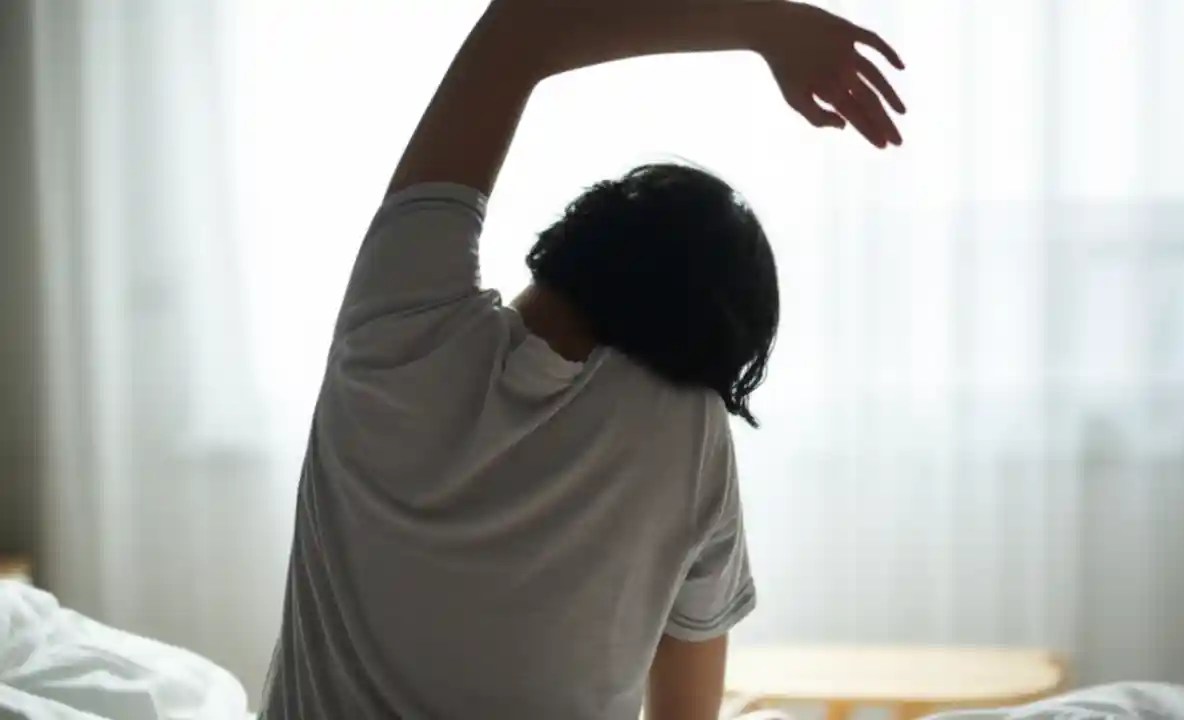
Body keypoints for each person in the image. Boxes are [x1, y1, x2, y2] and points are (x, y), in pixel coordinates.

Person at [261, 2, 904, 719]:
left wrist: (768, 27)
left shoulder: (403, 324)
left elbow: (518, 26)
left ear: (573, 230)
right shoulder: (688, 435)